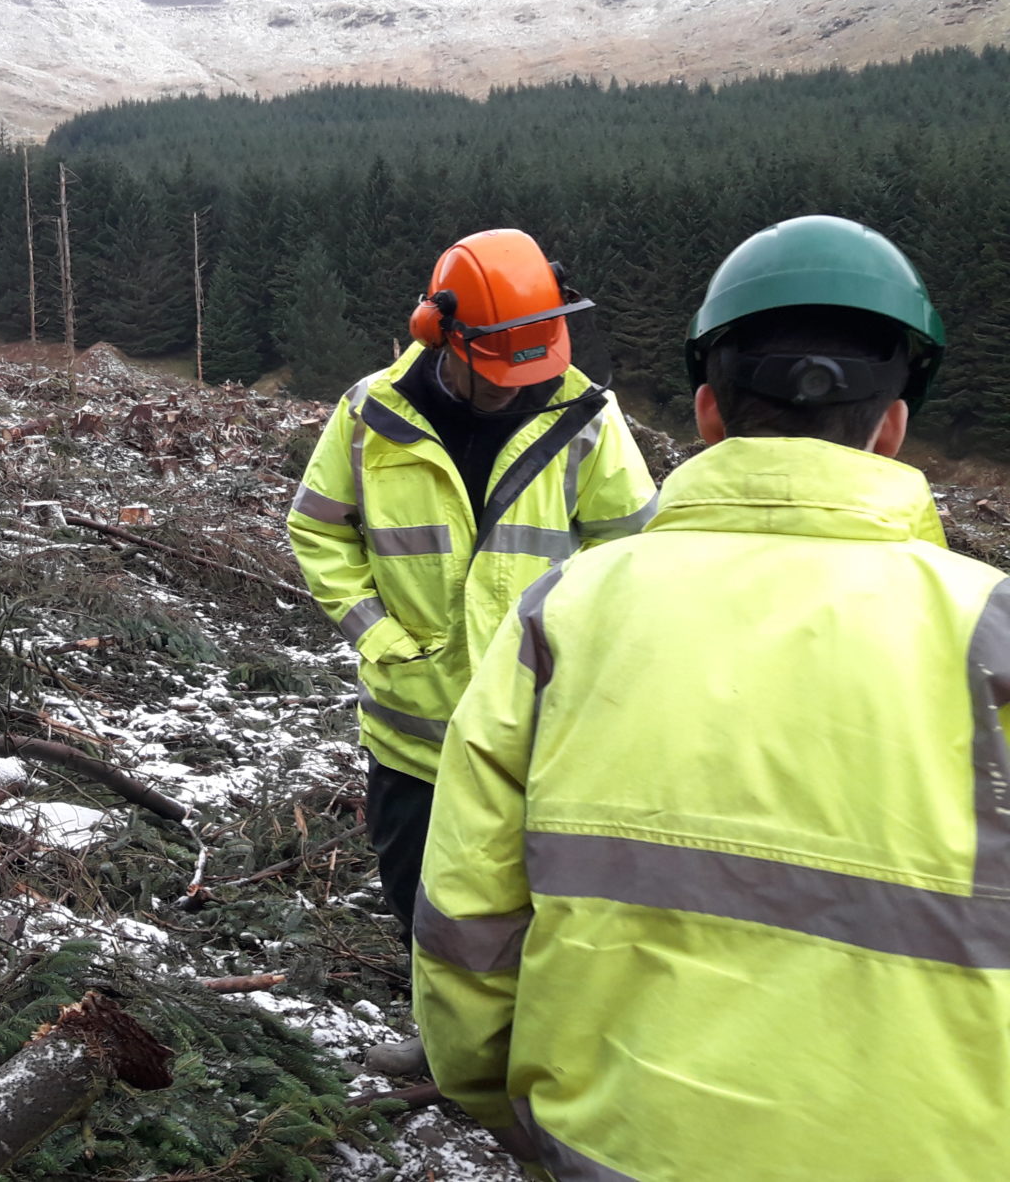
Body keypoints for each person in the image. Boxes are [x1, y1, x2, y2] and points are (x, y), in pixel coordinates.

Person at [414, 215, 1004, 1180]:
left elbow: (467, 916)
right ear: (894, 427)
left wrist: (506, 1108)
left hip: (609, 1146)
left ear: (707, 413)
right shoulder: (995, 638)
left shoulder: (562, 616)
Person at [288, 228, 657, 1072]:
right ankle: (448, 1044)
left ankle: (548, 1054)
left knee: (542, 899)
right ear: (440, 334)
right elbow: (317, 527)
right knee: (416, 894)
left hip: (543, 732)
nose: (515, 388)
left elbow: (638, 551)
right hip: (413, 729)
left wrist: (588, 663)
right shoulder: (372, 415)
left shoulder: (586, 419)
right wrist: (378, 635)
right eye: (498, 372)